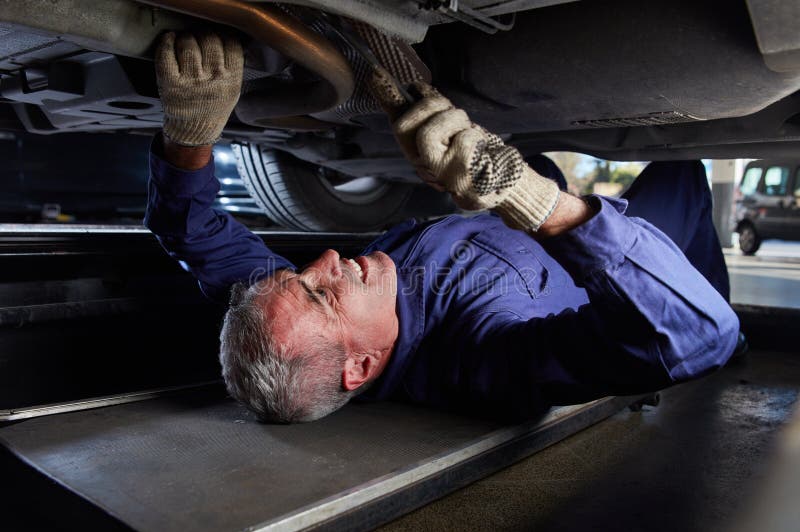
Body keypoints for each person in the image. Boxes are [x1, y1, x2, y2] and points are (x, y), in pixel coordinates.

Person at [145, 32, 739, 423]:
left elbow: (189, 227)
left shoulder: (284, 314)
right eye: (323, 293)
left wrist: (190, 134)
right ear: (360, 366)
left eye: (300, 276)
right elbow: (694, 336)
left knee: (545, 162)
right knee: (681, 170)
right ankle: (708, 273)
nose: (325, 259)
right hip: (602, 261)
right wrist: (533, 202)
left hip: (500, 213)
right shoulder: (484, 358)